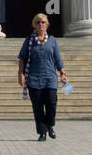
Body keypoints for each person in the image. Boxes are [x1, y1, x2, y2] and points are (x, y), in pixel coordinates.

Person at [18, 12, 66, 141]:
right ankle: (42, 132)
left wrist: (62, 73)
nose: (40, 24)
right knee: (37, 107)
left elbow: (57, 58)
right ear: (34, 24)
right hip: (34, 78)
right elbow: (22, 58)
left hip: (50, 78)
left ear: (47, 24)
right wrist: (20, 74)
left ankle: (50, 125)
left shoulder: (52, 40)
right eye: (38, 22)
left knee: (51, 104)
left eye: (43, 22)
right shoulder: (29, 41)